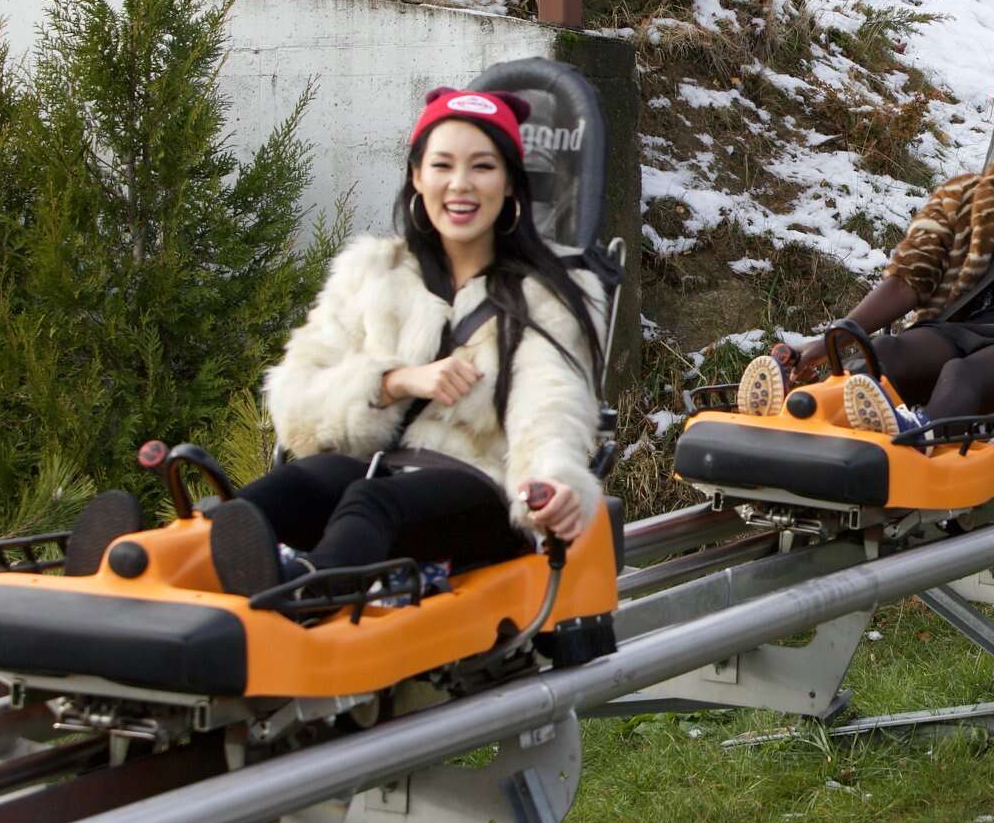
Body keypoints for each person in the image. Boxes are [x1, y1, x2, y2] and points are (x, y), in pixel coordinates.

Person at [63, 87, 612, 597]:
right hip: (375, 468)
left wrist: (551, 482)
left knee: (369, 501)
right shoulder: (371, 273)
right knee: (298, 485)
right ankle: (136, 561)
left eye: (483, 167)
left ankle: (305, 589)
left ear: (511, 183)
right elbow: (296, 398)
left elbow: (550, 407)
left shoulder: (552, 295)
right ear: (417, 177)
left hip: (480, 493)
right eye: (442, 165)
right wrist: (390, 380)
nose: (460, 184)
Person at [737, 41, 994, 434]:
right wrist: (830, 341)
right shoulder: (964, 196)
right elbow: (908, 279)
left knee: (964, 374)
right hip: (962, 326)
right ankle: (802, 415)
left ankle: (918, 436)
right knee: (884, 354)